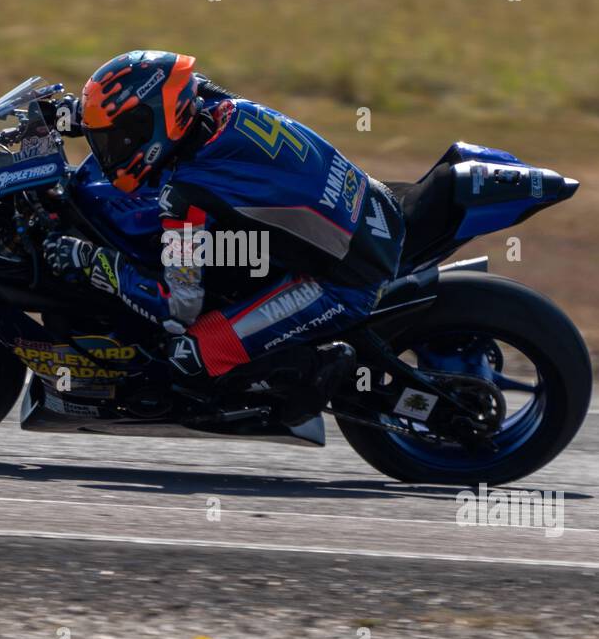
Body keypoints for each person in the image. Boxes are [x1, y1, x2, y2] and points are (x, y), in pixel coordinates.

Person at [42, 50, 405, 423]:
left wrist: (93, 261)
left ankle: (315, 368)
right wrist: (74, 114)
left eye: (115, 137)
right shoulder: (208, 103)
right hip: (372, 207)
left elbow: (178, 307)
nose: (107, 150)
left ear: (152, 124)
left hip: (341, 280)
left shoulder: (187, 194)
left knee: (188, 357)